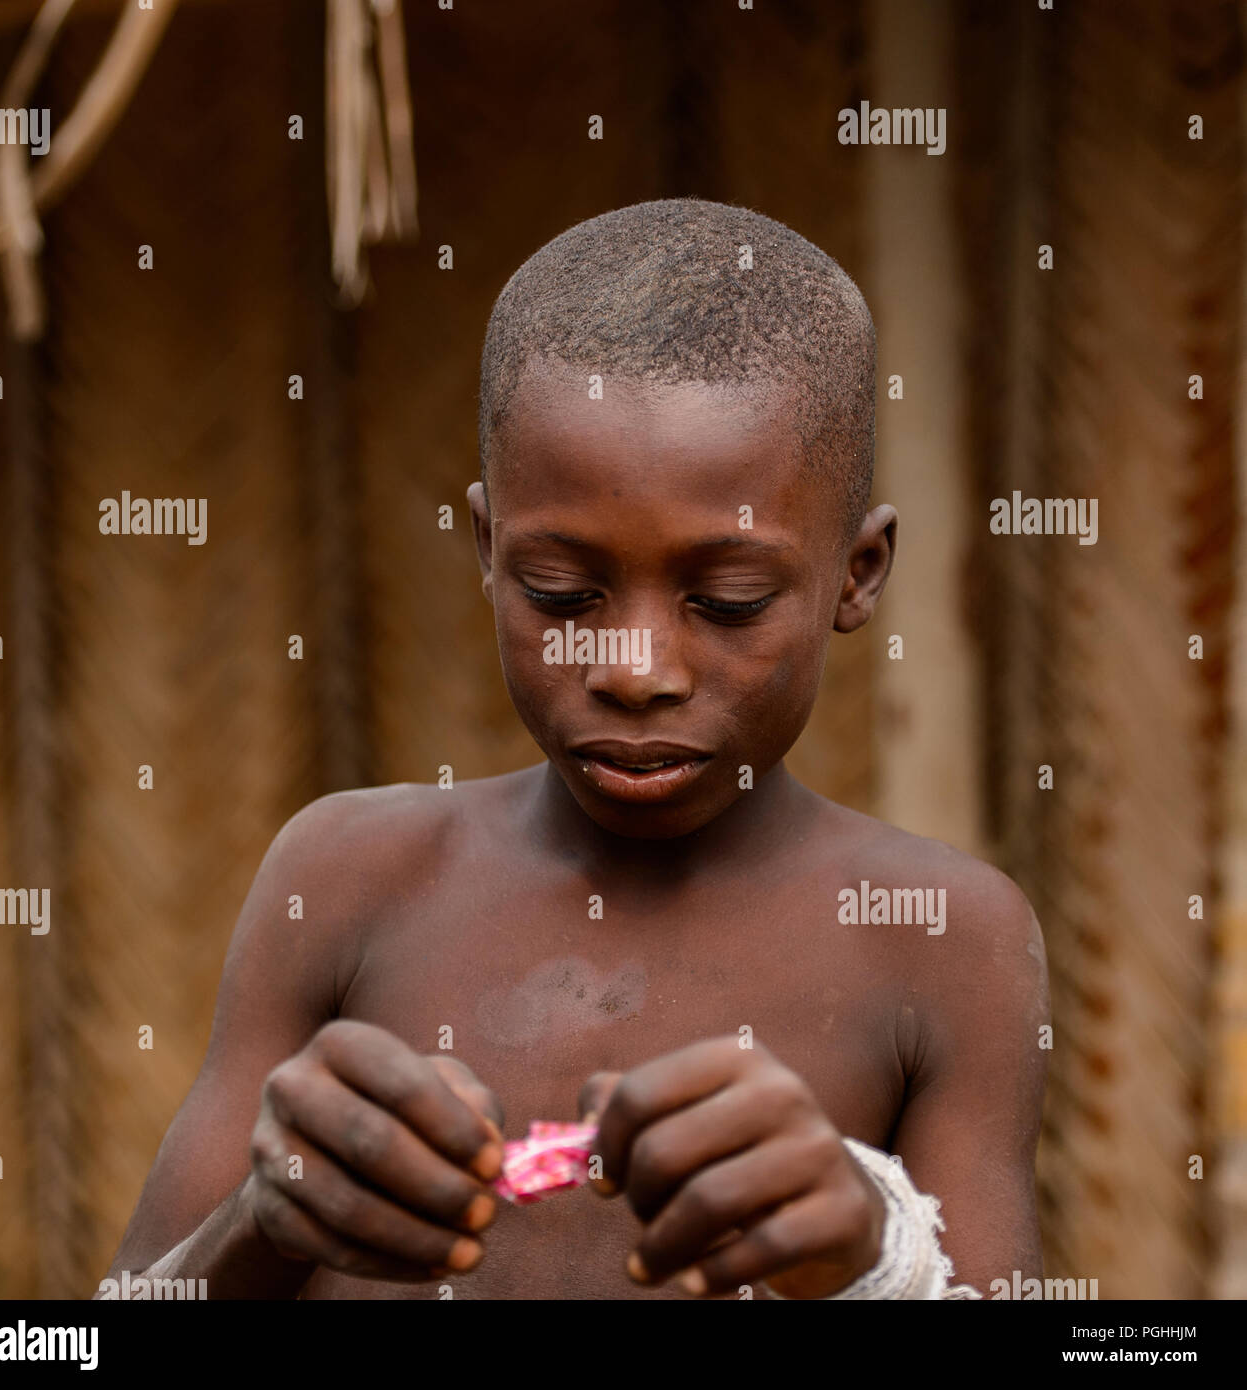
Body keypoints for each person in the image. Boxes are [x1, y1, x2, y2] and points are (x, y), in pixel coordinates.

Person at [101, 198, 1049, 1300]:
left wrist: (873, 1259)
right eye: (561, 592)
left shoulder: (944, 940)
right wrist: (264, 1222)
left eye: (728, 599)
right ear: (486, 548)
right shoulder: (345, 875)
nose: (634, 666)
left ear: (858, 572)